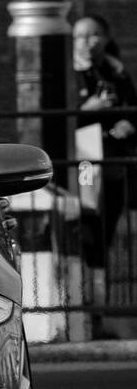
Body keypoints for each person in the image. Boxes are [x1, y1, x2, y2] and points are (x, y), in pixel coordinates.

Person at [74, 13, 137, 260]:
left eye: (93, 35)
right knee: (89, 210)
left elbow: (133, 105)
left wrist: (128, 123)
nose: (86, 42)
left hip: (113, 153)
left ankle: (99, 268)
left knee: (111, 207)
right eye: (79, 36)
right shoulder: (72, 72)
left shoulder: (116, 71)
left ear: (106, 37)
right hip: (85, 154)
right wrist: (89, 108)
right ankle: (90, 264)